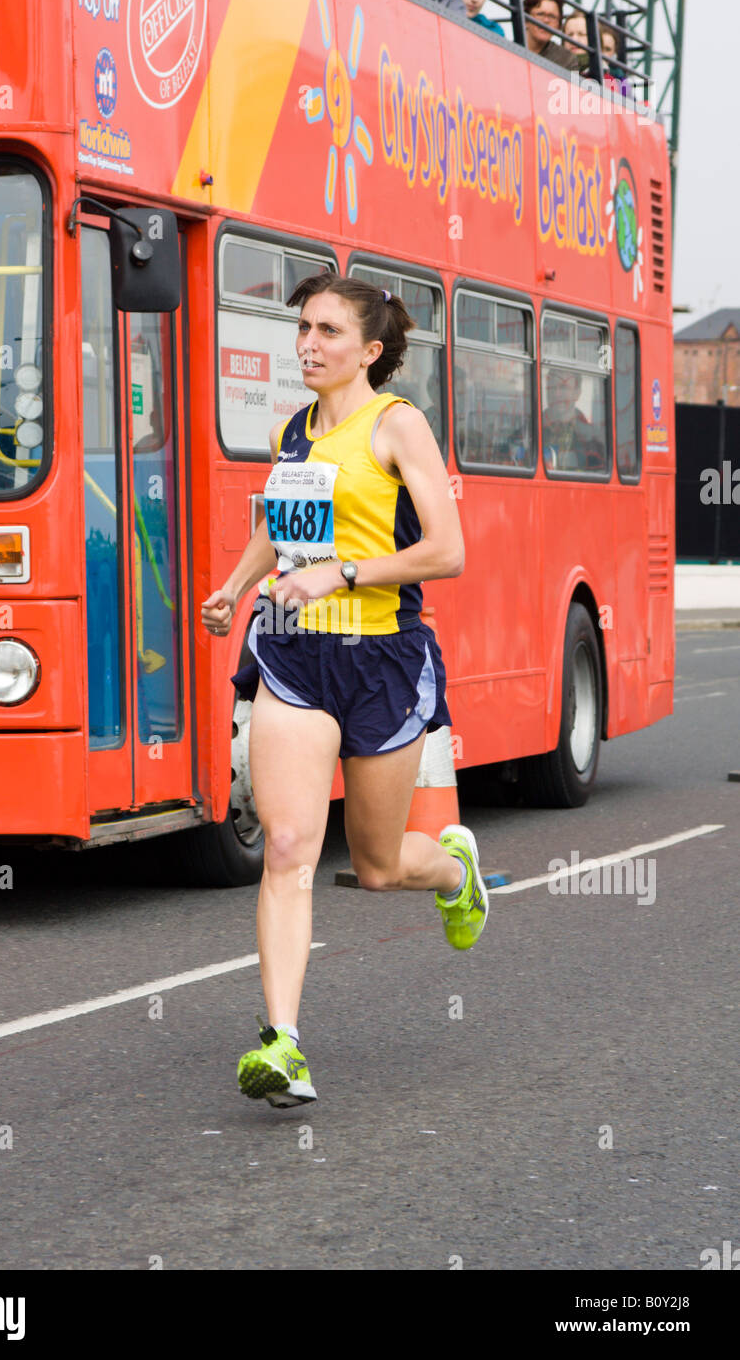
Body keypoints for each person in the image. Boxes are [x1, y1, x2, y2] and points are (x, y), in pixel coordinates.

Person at [202, 275, 490, 1109]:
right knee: (289, 846)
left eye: (328, 331)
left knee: (374, 865)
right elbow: (279, 527)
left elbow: (447, 551)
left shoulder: (399, 426)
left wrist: (347, 570)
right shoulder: (294, 429)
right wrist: (236, 586)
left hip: (383, 659)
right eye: (302, 328)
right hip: (295, 655)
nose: (307, 344)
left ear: (369, 350)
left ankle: (454, 874)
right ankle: (283, 1044)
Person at [542, 367, 605, 471]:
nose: (556, 394)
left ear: (577, 393)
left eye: (563, 387)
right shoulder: (527, 432)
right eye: (552, 388)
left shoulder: (592, 441)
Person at [523, 0, 577, 69]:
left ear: (558, 25)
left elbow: (575, 81)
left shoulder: (567, 59)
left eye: (552, 16)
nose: (546, 20)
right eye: (540, 14)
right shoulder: (508, 50)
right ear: (526, 20)